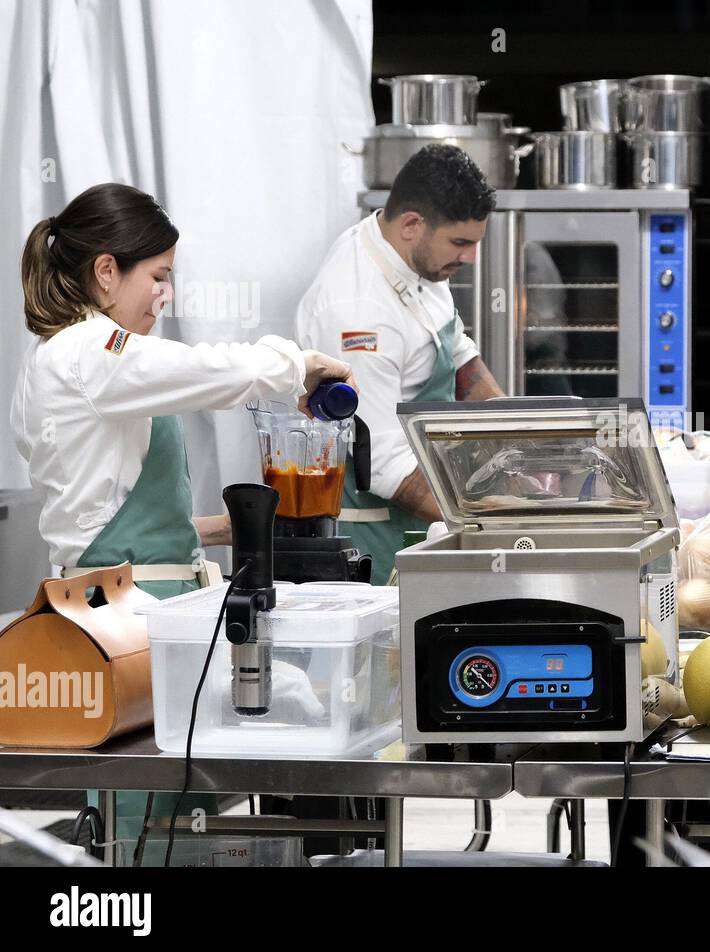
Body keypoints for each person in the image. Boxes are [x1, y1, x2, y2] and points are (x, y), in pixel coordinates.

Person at [12, 182, 355, 847]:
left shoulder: (81, 361)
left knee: (165, 814)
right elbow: (204, 368)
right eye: (158, 276)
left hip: (141, 611)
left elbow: (108, 516)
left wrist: (238, 530)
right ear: (106, 271)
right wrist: (299, 365)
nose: (166, 294)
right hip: (120, 624)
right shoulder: (90, 353)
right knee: (143, 821)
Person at [297, 144, 505, 585]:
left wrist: (521, 441)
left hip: (424, 521)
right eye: (461, 243)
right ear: (412, 224)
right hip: (377, 538)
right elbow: (385, 468)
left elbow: (458, 355)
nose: (469, 258)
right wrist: (493, 524)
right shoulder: (357, 308)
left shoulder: (419, 264)